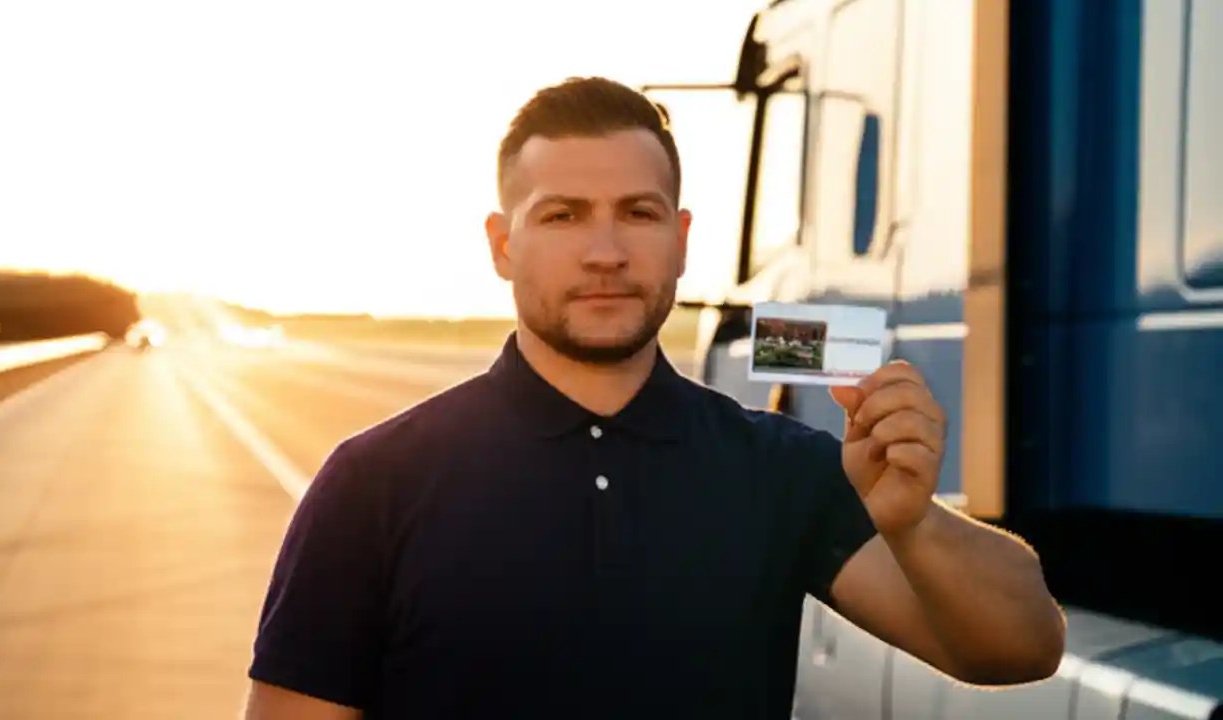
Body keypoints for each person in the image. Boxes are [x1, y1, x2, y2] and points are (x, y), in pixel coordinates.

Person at [241, 76, 1066, 719]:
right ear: (502, 245)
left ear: (680, 240)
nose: (605, 251)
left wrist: (914, 521)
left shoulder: (783, 469)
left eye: (637, 213)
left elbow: (1022, 650)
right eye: (562, 216)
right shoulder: (373, 482)